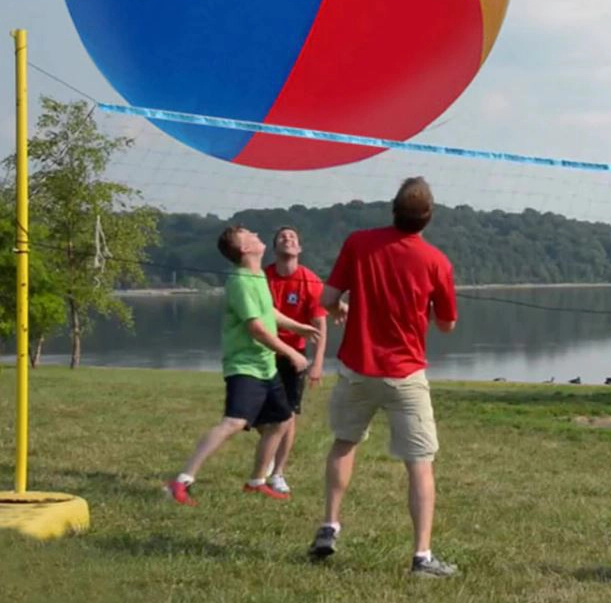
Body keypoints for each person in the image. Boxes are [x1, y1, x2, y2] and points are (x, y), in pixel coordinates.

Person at [308, 177, 458, 577]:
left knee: (344, 443)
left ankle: (329, 526)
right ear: (428, 218)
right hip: (405, 373)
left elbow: (326, 299)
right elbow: (447, 325)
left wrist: (340, 306)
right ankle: (421, 557)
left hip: (357, 368)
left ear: (393, 210)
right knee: (420, 463)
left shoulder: (358, 243)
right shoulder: (437, 261)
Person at [164, 225, 319, 506]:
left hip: (265, 365)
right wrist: (291, 353)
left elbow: (269, 311)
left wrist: (298, 327)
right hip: (245, 366)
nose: (257, 235)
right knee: (234, 422)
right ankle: (182, 480)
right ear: (245, 248)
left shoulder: (257, 276)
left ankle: (256, 482)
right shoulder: (240, 281)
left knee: (282, 421)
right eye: (250, 235)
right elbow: (256, 328)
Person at [263, 226, 327, 495]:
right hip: (264, 351)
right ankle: (267, 451)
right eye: (282, 237)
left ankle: (277, 473)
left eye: (292, 237)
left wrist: (317, 364)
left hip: (295, 356)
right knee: (257, 415)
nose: (287, 239)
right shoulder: (262, 277)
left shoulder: (310, 281)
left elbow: (320, 326)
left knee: (288, 416)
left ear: (299, 248)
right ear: (274, 247)